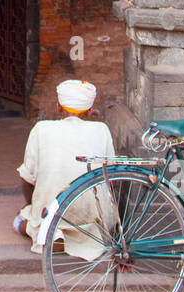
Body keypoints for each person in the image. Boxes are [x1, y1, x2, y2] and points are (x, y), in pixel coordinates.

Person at [13, 79, 115, 260]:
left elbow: (28, 178)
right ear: (90, 110)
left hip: (53, 210)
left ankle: (52, 232)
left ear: (58, 108)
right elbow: (112, 176)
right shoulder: (102, 130)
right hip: (93, 217)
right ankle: (79, 235)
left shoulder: (41, 129)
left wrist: (31, 205)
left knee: (19, 220)